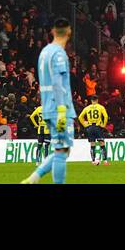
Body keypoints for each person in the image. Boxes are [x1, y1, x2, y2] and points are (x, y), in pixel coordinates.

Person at [21, 18, 76, 185]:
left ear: (52, 31)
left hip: (48, 107)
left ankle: (34, 179)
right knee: (61, 151)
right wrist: (61, 109)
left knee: (63, 149)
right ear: (69, 32)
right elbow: (57, 83)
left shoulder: (44, 52)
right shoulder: (59, 54)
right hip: (59, 110)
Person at [79, 97, 110, 165]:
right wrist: (104, 125)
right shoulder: (100, 107)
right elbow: (106, 116)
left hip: (90, 127)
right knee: (102, 143)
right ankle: (105, 161)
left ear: (91, 101)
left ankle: (93, 161)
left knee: (92, 144)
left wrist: (85, 124)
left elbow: (80, 117)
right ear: (97, 100)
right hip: (98, 127)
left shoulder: (87, 108)